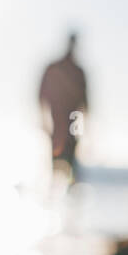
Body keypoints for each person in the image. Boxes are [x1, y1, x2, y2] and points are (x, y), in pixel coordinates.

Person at [38, 32, 89, 179]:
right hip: (58, 124)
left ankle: (66, 189)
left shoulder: (78, 72)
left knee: (68, 159)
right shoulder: (58, 69)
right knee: (58, 157)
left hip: (70, 125)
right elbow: (42, 96)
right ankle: (58, 189)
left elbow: (85, 103)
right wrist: (43, 119)